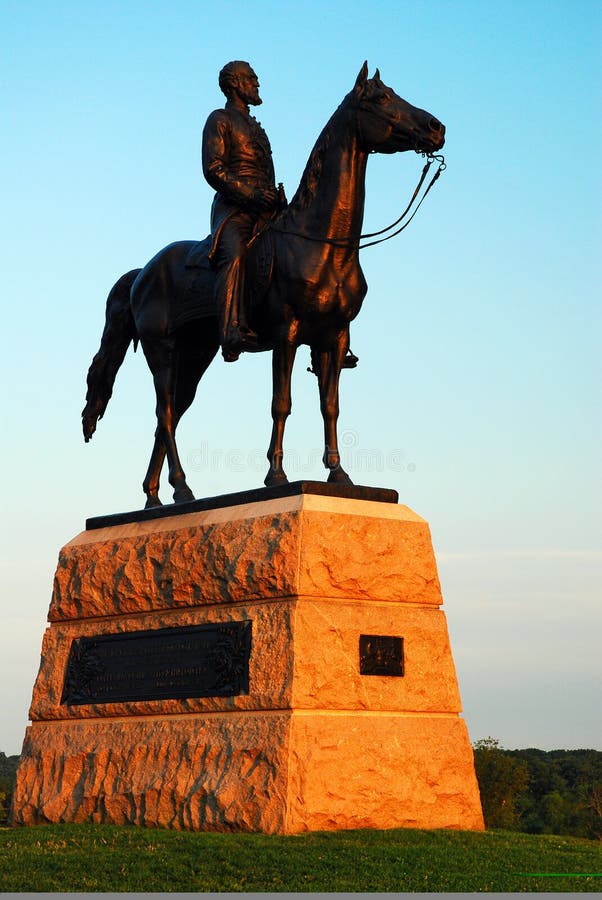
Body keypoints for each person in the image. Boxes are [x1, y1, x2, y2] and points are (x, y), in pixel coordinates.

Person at [202, 61, 283, 362]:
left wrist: (276, 199)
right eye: (251, 77)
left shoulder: (256, 127)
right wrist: (251, 194)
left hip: (266, 208)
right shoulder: (219, 119)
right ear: (234, 84)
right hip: (235, 208)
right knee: (234, 253)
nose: (257, 82)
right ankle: (231, 329)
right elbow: (213, 169)